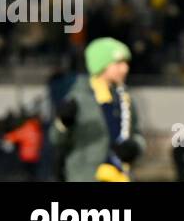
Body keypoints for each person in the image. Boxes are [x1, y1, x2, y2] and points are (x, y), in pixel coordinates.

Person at [49, 37, 144, 182]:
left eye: (126, 63)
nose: (125, 68)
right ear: (101, 65)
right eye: (118, 63)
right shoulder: (78, 98)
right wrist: (63, 123)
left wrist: (135, 147)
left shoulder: (124, 98)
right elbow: (56, 139)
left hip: (120, 176)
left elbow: (137, 133)